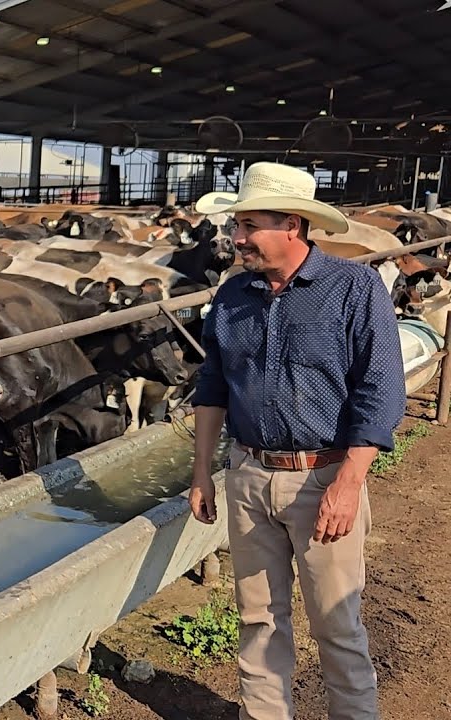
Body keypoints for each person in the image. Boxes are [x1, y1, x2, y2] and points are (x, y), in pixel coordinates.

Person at [188, 162, 405, 720]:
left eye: (248, 225)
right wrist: (201, 474)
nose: (235, 238)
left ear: (293, 225)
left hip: (324, 476)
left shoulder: (355, 288)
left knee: (337, 622)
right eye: (236, 224)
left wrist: (349, 482)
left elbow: (379, 388)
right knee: (257, 620)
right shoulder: (233, 295)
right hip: (249, 475)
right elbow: (212, 386)